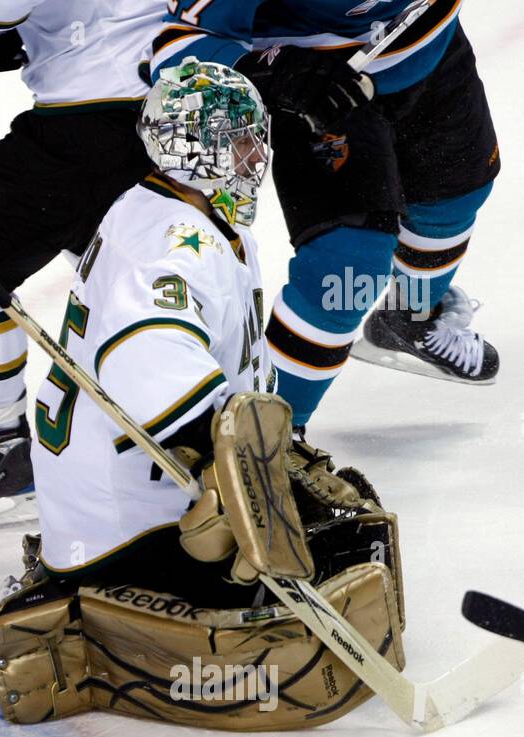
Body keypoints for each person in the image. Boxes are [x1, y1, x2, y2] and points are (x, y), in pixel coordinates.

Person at [0, 60, 406, 732]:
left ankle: (82, 586)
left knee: (339, 532)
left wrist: (260, 463)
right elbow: (152, 369)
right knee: (279, 576)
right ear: (197, 153)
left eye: (256, 139)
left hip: (134, 482)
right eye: (242, 142)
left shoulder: (185, 210)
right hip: (125, 515)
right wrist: (235, 475)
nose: (258, 156)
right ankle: (58, 607)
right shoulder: (169, 245)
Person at [151, 0, 500, 429]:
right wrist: (271, 70)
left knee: (453, 200)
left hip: (433, 45)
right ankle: (266, 439)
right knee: (347, 268)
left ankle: (410, 319)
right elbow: (175, 46)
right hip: (324, 87)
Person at [0, 0, 166, 533]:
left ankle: (2, 451)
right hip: (161, 106)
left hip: (92, 117)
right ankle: (196, 439)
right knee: (127, 280)